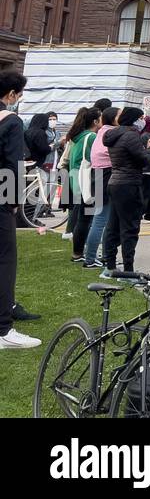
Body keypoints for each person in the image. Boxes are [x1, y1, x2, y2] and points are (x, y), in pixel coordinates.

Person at [0, 71, 39, 349]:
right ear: (11, 95)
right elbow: (14, 164)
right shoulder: (11, 121)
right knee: (5, 260)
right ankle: (3, 330)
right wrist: (14, 200)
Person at [101, 107, 150, 276]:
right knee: (130, 228)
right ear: (134, 119)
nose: (142, 120)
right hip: (129, 184)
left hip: (115, 182)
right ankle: (128, 270)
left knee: (113, 226)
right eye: (141, 117)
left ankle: (110, 265)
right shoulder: (131, 135)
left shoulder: (113, 135)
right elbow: (143, 159)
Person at [82, 106, 119, 269]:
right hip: (106, 176)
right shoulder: (111, 133)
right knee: (101, 220)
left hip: (98, 176)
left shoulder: (101, 132)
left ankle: (97, 257)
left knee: (101, 220)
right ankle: (91, 259)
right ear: (113, 118)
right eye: (120, 115)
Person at [64, 106, 101, 261]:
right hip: (87, 179)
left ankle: (78, 252)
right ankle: (80, 252)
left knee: (82, 217)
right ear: (95, 121)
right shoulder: (91, 137)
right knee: (86, 219)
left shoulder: (78, 136)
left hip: (76, 178)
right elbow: (93, 160)